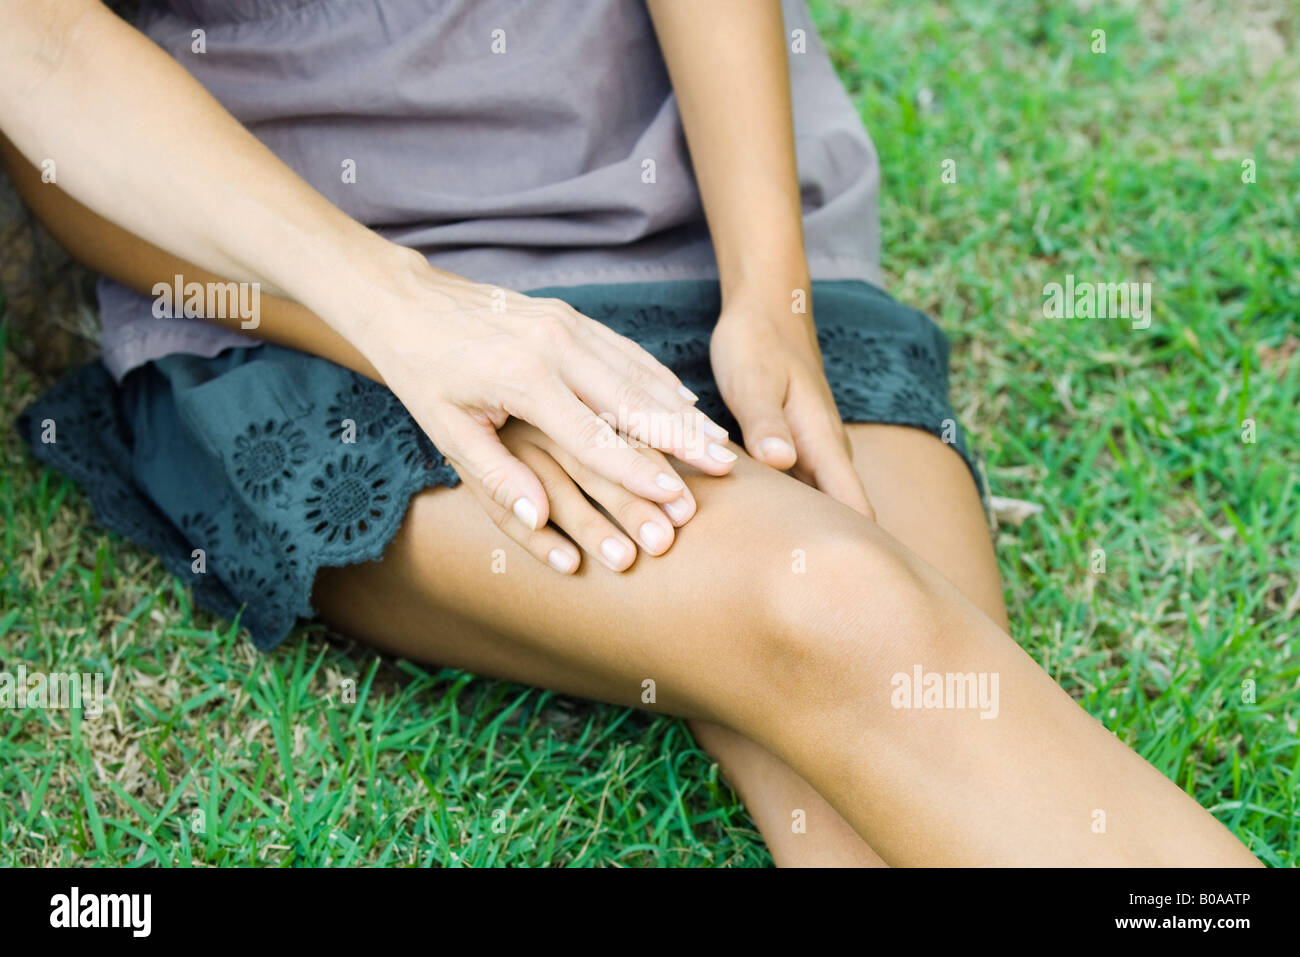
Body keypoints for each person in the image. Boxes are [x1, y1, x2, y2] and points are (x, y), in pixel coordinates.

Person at [1, 0, 1261, 866]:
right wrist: (416, 322)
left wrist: (768, 292)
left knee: (901, 725)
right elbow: (44, 66)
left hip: (680, 175)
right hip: (308, 275)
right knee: (837, 611)